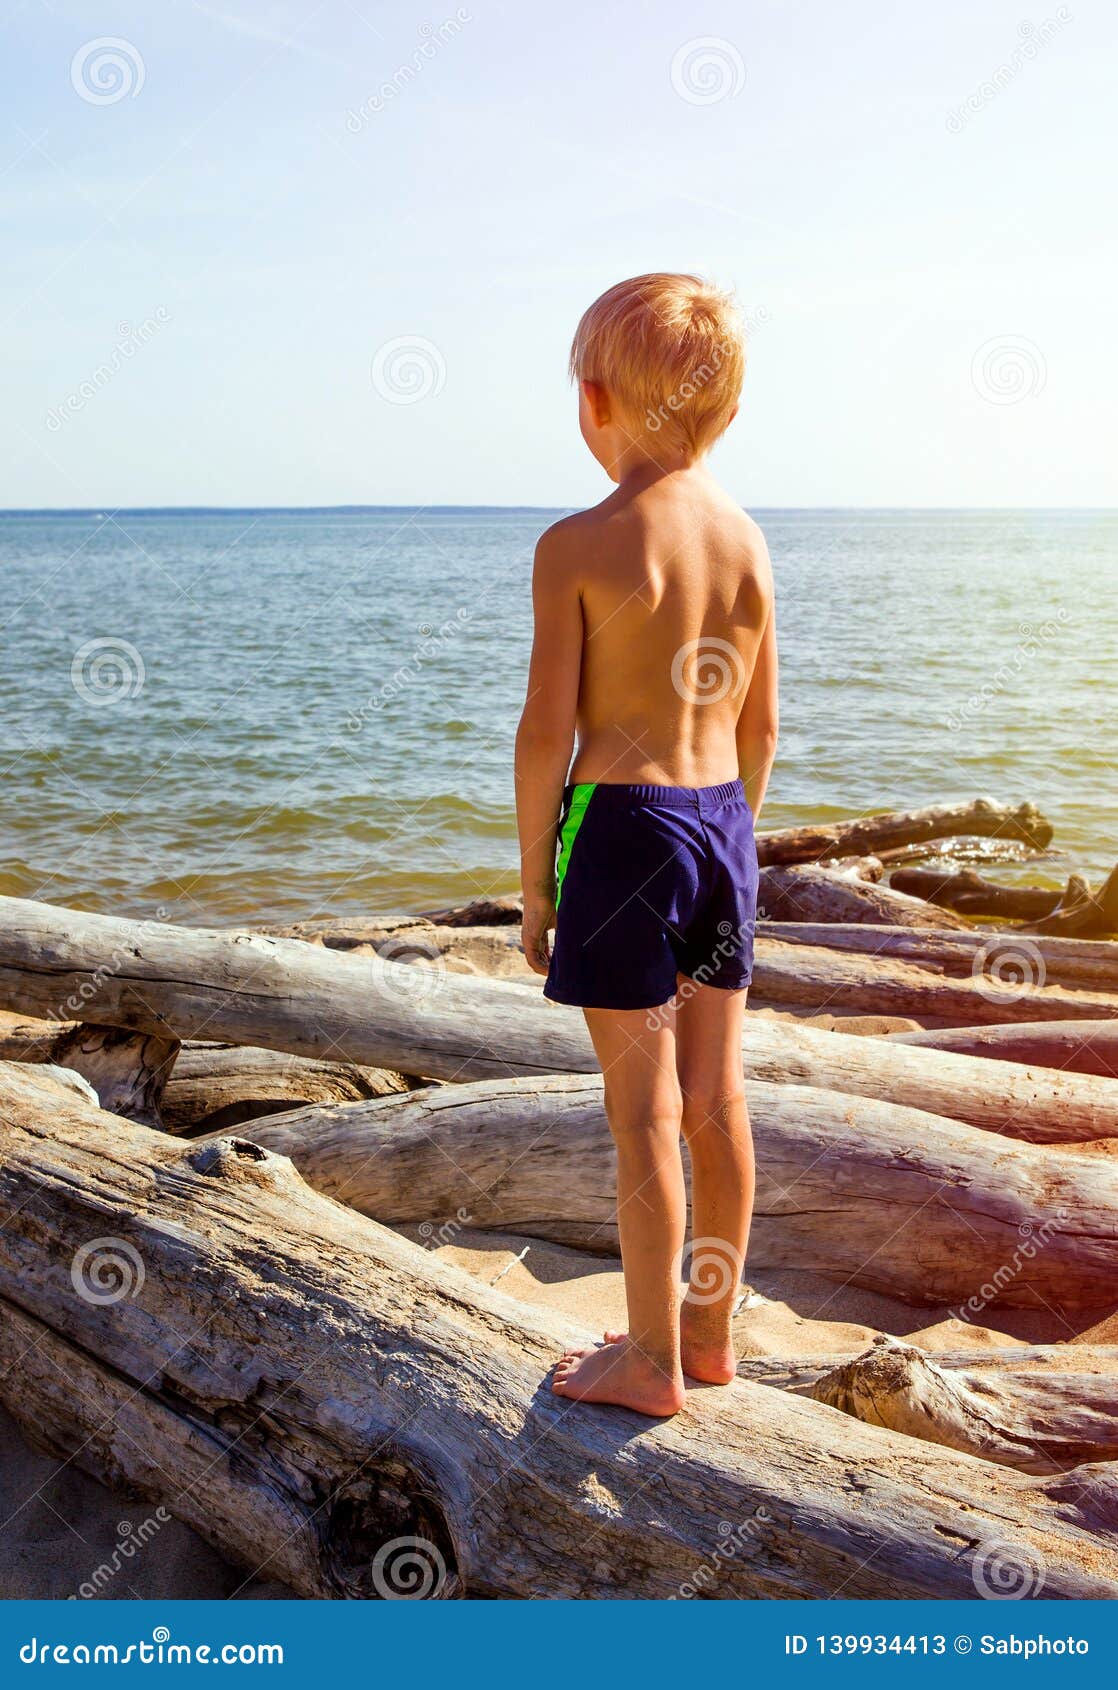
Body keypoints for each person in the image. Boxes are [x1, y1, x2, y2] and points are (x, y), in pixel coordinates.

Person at [514, 273, 779, 1416]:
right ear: (723, 411)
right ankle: (711, 1334)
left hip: (621, 833)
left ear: (591, 401)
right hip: (720, 822)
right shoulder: (745, 539)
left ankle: (650, 1361)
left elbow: (543, 736)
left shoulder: (577, 543)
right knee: (717, 1103)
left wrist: (536, 887)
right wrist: (732, 838)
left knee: (643, 1114)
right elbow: (761, 726)